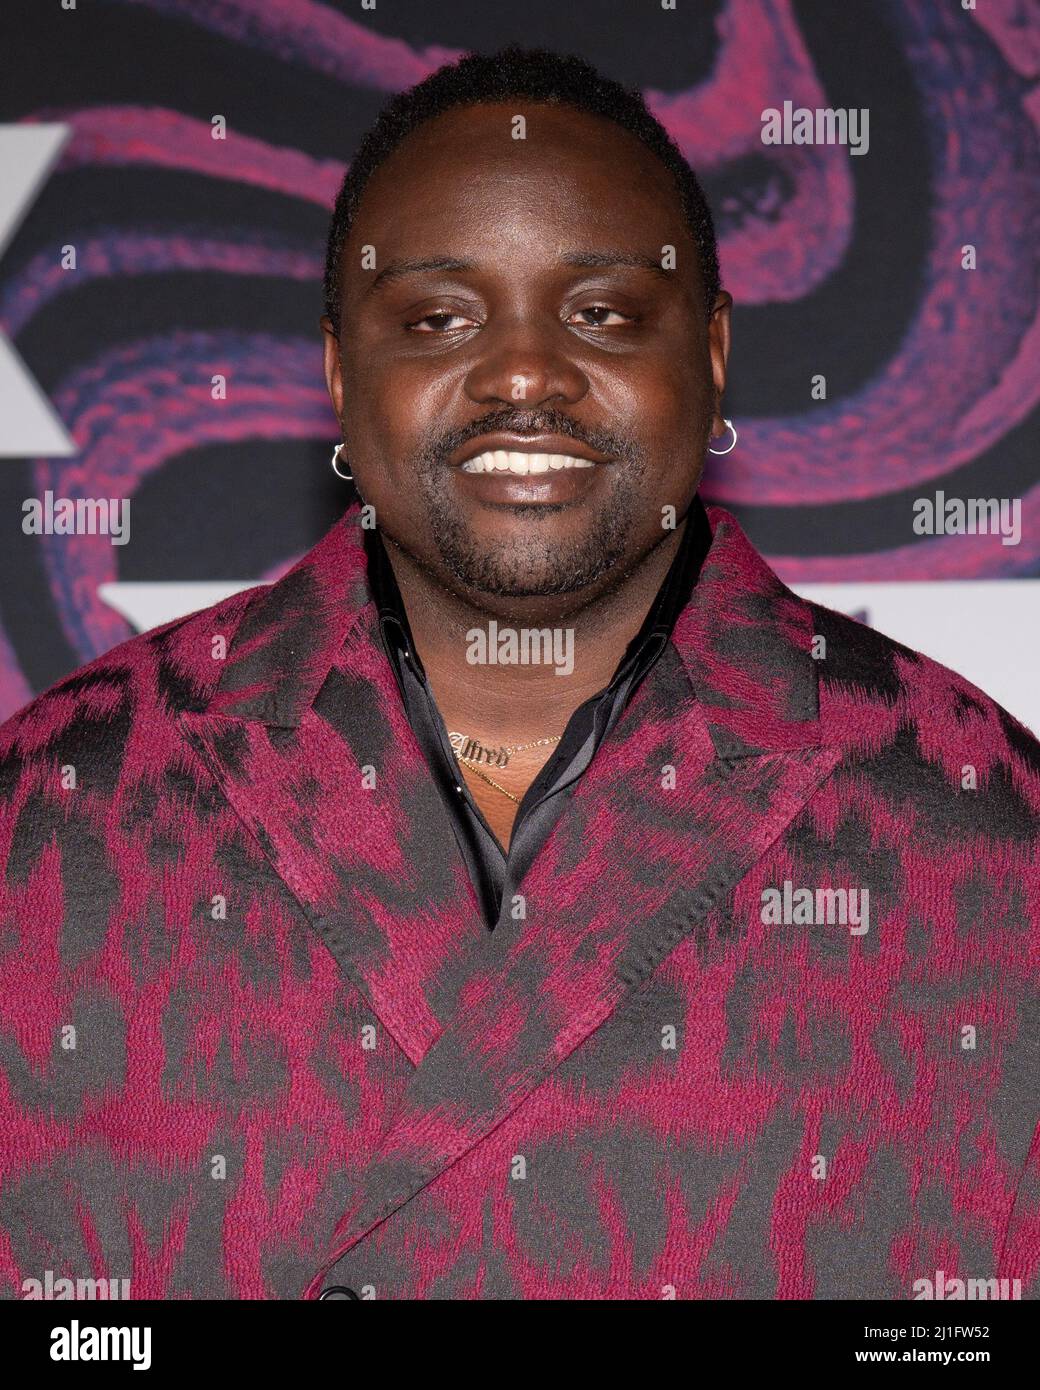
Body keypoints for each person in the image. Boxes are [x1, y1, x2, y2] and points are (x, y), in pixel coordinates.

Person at [1, 46, 1037, 1301]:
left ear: (711, 353)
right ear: (338, 372)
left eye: (602, 313)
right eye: (437, 319)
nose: (524, 375)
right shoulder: (54, 810)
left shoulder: (983, 828)